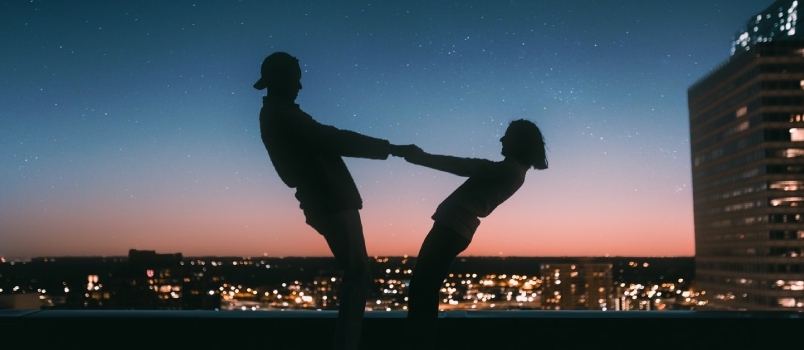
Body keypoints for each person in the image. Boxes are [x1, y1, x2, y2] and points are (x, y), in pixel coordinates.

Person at [254, 51, 417, 350]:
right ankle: (347, 344)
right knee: (358, 275)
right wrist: (390, 148)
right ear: (283, 80)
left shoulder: (280, 114)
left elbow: (327, 140)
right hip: (329, 200)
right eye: (296, 80)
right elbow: (334, 138)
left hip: (325, 199)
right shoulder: (282, 115)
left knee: (358, 274)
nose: (300, 87)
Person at [404, 119, 548, 349]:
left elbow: (465, 166)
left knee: (423, 288)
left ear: (520, 142)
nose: (501, 139)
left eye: (507, 136)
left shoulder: (510, 170)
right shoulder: (513, 171)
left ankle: (419, 343)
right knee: (424, 288)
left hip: (452, 227)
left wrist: (421, 158)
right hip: (455, 227)